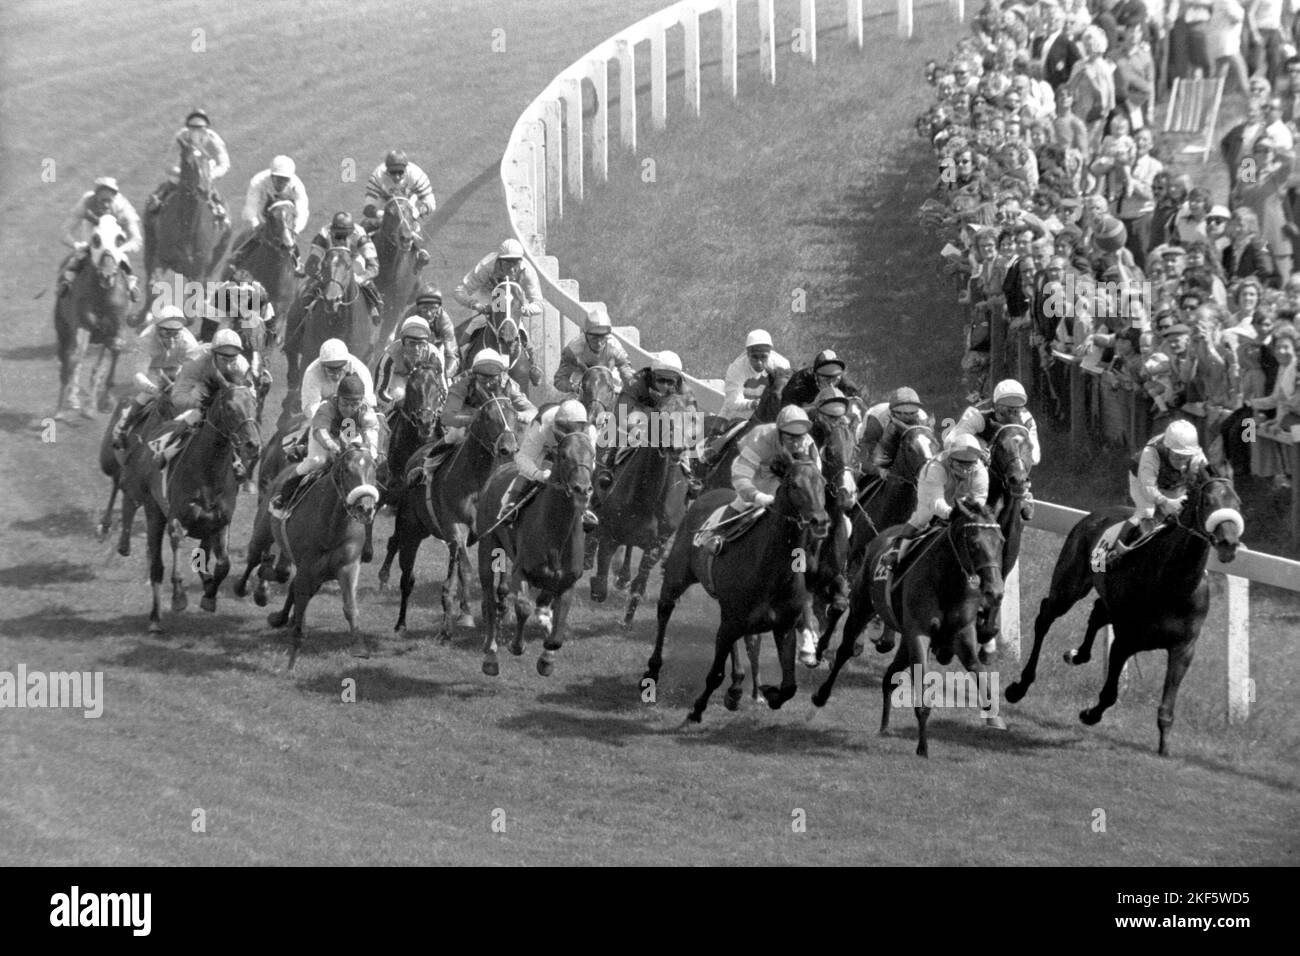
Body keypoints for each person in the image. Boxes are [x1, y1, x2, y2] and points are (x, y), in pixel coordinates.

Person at [269, 372, 379, 519]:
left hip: (348, 432)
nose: (349, 409)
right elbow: (320, 431)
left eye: (354, 405)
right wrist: (332, 446)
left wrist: (371, 452)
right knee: (316, 461)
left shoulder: (366, 411)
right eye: (344, 404)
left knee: (361, 463)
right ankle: (283, 496)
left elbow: (372, 431)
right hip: (322, 436)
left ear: (361, 401)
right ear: (337, 398)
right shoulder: (326, 407)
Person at [883, 433, 990, 568]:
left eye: (969, 464)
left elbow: (979, 498)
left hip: (961, 497)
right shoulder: (935, 468)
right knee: (923, 517)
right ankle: (896, 551)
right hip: (933, 490)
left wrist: (967, 514)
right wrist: (952, 514)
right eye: (960, 463)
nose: (965, 469)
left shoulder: (980, 471)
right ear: (950, 459)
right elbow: (936, 502)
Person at [1110, 419, 1212, 558]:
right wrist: (1165, 502)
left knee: (1186, 518)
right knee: (1146, 513)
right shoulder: (1151, 452)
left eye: (1185, 457)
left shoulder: (1197, 456)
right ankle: (1114, 551)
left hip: (1174, 484)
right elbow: (1148, 488)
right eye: (1177, 455)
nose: (1181, 461)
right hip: (1143, 481)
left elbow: (1207, 483)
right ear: (1168, 448)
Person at [497, 398, 598, 530]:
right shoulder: (542, 424)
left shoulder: (590, 431)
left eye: (573, 428)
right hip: (543, 450)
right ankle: (511, 505)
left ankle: (586, 510)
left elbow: (592, 463)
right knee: (530, 469)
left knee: (583, 474)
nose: (568, 433)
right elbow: (523, 457)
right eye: (565, 428)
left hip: (570, 457)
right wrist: (539, 474)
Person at [111, 306, 203, 450]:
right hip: (152, 369)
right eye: (166, 332)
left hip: (176, 368)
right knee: (147, 394)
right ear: (157, 329)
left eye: (175, 333)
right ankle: (123, 426)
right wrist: (153, 389)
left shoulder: (189, 342)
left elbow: (195, 371)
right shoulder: (146, 339)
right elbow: (139, 374)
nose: (172, 338)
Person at [156, 329, 251, 464]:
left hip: (229, 391)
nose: (229, 366)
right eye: (224, 360)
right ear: (213, 354)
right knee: (198, 407)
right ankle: (169, 449)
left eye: (232, 359)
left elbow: (249, 396)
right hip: (200, 386)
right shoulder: (196, 361)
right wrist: (200, 404)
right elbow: (177, 396)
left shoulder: (241, 365)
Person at [59, 177, 142, 298]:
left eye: (109, 200)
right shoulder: (86, 203)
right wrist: (77, 245)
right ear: (96, 196)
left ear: (114, 198)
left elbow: (136, 239)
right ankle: (68, 280)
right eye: (102, 200)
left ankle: (131, 284)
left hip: (115, 230)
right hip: (93, 228)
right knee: (84, 252)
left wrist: (121, 249)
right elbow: (64, 231)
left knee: (119, 255)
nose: (106, 204)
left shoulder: (123, 208)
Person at [145, 108, 230, 225]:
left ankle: (220, 214)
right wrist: (184, 174)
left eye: (200, 129)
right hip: (181, 176)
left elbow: (224, 163)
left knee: (221, 209)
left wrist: (211, 175)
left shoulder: (214, 139)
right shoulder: (180, 137)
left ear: (206, 128)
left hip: (205, 178)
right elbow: (168, 163)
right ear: (188, 128)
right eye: (193, 128)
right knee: (153, 204)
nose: (196, 132)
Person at [438, 348, 537, 447]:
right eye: (483, 378)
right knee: (455, 435)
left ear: (499, 375)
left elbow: (532, 410)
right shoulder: (462, 384)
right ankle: (433, 459)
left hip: (499, 423)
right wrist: (472, 419)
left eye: (493, 377)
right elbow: (446, 417)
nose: (488, 383)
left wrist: (517, 415)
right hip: (470, 421)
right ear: (475, 375)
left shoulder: (506, 384)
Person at [227, 155, 309, 272]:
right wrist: (255, 224)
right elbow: (251, 207)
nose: (282, 183)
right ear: (272, 176)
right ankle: (235, 260)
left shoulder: (297, 186)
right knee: (252, 238)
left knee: (290, 242)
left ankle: (297, 265)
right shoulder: (258, 181)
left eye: (286, 180)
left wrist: (296, 230)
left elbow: (302, 211)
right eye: (279, 179)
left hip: (286, 220)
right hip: (262, 216)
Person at [453, 239, 543, 340]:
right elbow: (459, 291)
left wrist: (525, 309)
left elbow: (539, 305)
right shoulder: (486, 266)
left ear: (521, 261)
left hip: (512, 303)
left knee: (523, 337)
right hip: (487, 298)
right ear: (499, 261)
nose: (512, 269)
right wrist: (475, 304)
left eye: (515, 264)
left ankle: (531, 354)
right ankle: (461, 351)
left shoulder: (527, 271)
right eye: (507, 264)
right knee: (476, 325)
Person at [300, 211, 382, 323]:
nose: (341, 239)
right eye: (338, 235)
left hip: (354, 261)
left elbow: (374, 266)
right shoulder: (324, 234)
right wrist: (323, 278)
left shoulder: (360, 235)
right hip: (331, 261)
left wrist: (361, 278)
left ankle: (374, 306)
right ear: (332, 231)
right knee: (305, 294)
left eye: (345, 235)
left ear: (352, 232)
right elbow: (311, 265)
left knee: (360, 271)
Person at [360, 149, 434, 266]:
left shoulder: (416, 175)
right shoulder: (378, 175)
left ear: (406, 168)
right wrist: (380, 214)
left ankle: (420, 253)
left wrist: (418, 211)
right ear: (386, 169)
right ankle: (357, 258)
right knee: (363, 227)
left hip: (408, 209)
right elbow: (368, 207)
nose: (397, 176)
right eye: (393, 172)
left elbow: (430, 202)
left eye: (400, 172)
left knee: (414, 229)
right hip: (385, 209)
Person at [948, 378, 1043, 466]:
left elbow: (1034, 458)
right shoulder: (977, 414)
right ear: (996, 406)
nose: (1013, 412)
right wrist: (978, 450)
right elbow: (950, 441)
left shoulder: (1026, 420)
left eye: (1017, 408)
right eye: (1008, 408)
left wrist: (1015, 449)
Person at [553, 307, 636, 393]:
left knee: (624, 404)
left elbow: (627, 371)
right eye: (594, 338)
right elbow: (559, 380)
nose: (599, 343)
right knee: (570, 406)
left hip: (610, 384)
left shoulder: (615, 348)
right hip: (582, 387)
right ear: (585, 335)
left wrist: (631, 385)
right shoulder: (573, 350)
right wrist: (574, 387)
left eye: (603, 337)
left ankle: (623, 406)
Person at [374, 317, 443, 420]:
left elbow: (444, 389)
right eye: (412, 343)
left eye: (421, 344)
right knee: (398, 393)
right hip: (397, 383)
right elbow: (379, 393)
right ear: (403, 342)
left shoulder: (434, 354)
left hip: (422, 383)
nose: (416, 349)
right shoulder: (390, 356)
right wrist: (399, 403)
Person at [859, 387, 933, 480]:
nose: (906, 417)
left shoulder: (922, 418)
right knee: (864, 470)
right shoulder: (876, 417)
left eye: (911, 413)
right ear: (892, 412)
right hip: (876, 440)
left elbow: (926, 450)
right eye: (901, 413)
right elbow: (867, 454)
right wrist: (879, 470)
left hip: (904, 445)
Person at [719, 329, 790, 420]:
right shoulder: (736, 369)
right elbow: (732, 402)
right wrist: (751, 404)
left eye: (763, 357)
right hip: (734, 416)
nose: (759, 363)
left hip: (763, 417)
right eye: (755, 357)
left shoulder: (782, 366)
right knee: (702, 432)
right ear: (748, 354)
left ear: (770, 353)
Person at [301, 338, 376, 421]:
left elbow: (368, 400)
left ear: (346, 363)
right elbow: (311, 407)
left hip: (352, 411)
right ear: (322, 366)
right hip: (325, 412)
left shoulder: (359, 369)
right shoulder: (312, 373)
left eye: (340, 370)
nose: (336, 376)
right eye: (331, 371)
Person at [392, 286, 458, 376]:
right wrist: (400, 365)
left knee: (444, 361)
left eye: (433, 308)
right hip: (414, 347)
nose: (429, 313)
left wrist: (447, 373)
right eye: (424, 308)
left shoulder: (444, 318)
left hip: (437, 348)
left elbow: (450, 352)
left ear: (439, 308)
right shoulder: (409, 316)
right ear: (417, 307)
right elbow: (397, 343)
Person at [780, 349, 863, 409]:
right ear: (815, 375)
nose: (830, 383)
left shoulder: (848, 387)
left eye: (834, 378)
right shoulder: (798, 385)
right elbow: (786, 413)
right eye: (826, 378)